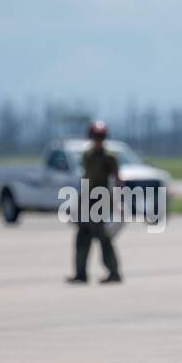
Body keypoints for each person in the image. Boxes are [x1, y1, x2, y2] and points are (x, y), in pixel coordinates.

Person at [66, 120, 122, 284]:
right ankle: (80, 273)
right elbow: (85, 177)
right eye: (95, 136)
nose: (98, 140)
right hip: (86, 200)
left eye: (101, 137)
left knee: (103, 237)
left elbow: (117, 179)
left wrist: (119, 200)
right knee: (82, 237)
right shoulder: (86, 155)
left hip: (101, 200)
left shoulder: (110, 157)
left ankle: (114, 272)